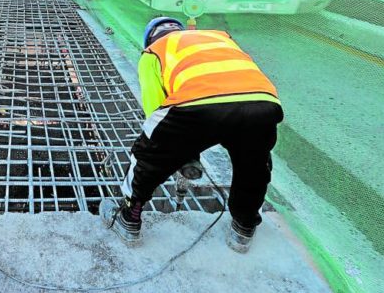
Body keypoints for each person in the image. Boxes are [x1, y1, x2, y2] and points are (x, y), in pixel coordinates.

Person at [100, 18, 283, 253]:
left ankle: (128, 216)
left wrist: (180, 150)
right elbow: (229, 89)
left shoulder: (153, 52)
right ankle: (244, 228)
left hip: (198, 105)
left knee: (148, 154)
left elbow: (156, 110)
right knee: (253, 165)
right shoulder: (219, 37)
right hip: (263, 103)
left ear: (150, 39)